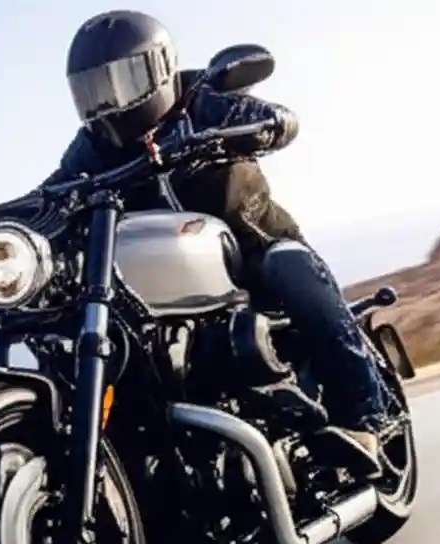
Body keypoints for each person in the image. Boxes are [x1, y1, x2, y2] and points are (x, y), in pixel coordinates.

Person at [46, 10, 386, 475]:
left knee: (293, 271)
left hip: (252, 245)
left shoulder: (203, 99)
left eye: (121, 81)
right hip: (165, 278)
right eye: (93, 91)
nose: (109, 102)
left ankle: (365, 420)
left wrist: (268, 123)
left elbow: (269, 117)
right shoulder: (91, 148)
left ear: (159, 69)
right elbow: (53, 190)